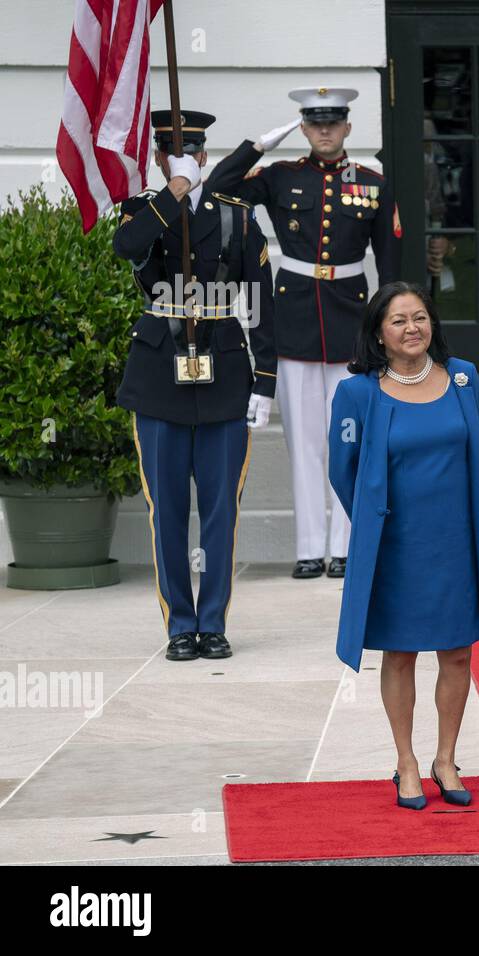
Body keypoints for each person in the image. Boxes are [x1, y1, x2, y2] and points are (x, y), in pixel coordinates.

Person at [206, 87, 401, 581]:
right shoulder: (279, 176)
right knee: (304, 444)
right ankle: (310, 548)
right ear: (304, 128)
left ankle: (344, 547)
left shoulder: (374, 184)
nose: (325, 131)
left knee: (347, 441)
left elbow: (392, 266)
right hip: (293, 320)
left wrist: (389, 328)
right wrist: (257, 146)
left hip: (352, 322)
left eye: (333, 122)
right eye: (315, 123)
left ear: (348, 128)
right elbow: (216, 190)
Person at [328, 281, 479, 810]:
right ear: (379, 334)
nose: (412, 329)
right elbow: (343, 470)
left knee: (456, 651)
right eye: (399, 320)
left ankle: (445, 759)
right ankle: (405, 761)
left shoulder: (464, 378)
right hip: (396, 545)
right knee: (400, 653)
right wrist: (376, 527)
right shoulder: (358, 392)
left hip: (455, 541)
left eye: (420, 317)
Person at [112, 109, 277, 662]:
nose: (183, 159)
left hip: (224, 369)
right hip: (160, 375)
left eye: (192, 153)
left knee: (219, 508)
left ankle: (213, 621)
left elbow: (263, 306)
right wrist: (175, 191)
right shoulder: (144, 209)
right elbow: (127, 247)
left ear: (207, 155)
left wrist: (265, 381)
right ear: (161, 159)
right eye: (171, 153)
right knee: (168, 509)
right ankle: (179, 623)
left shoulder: (235, 217)